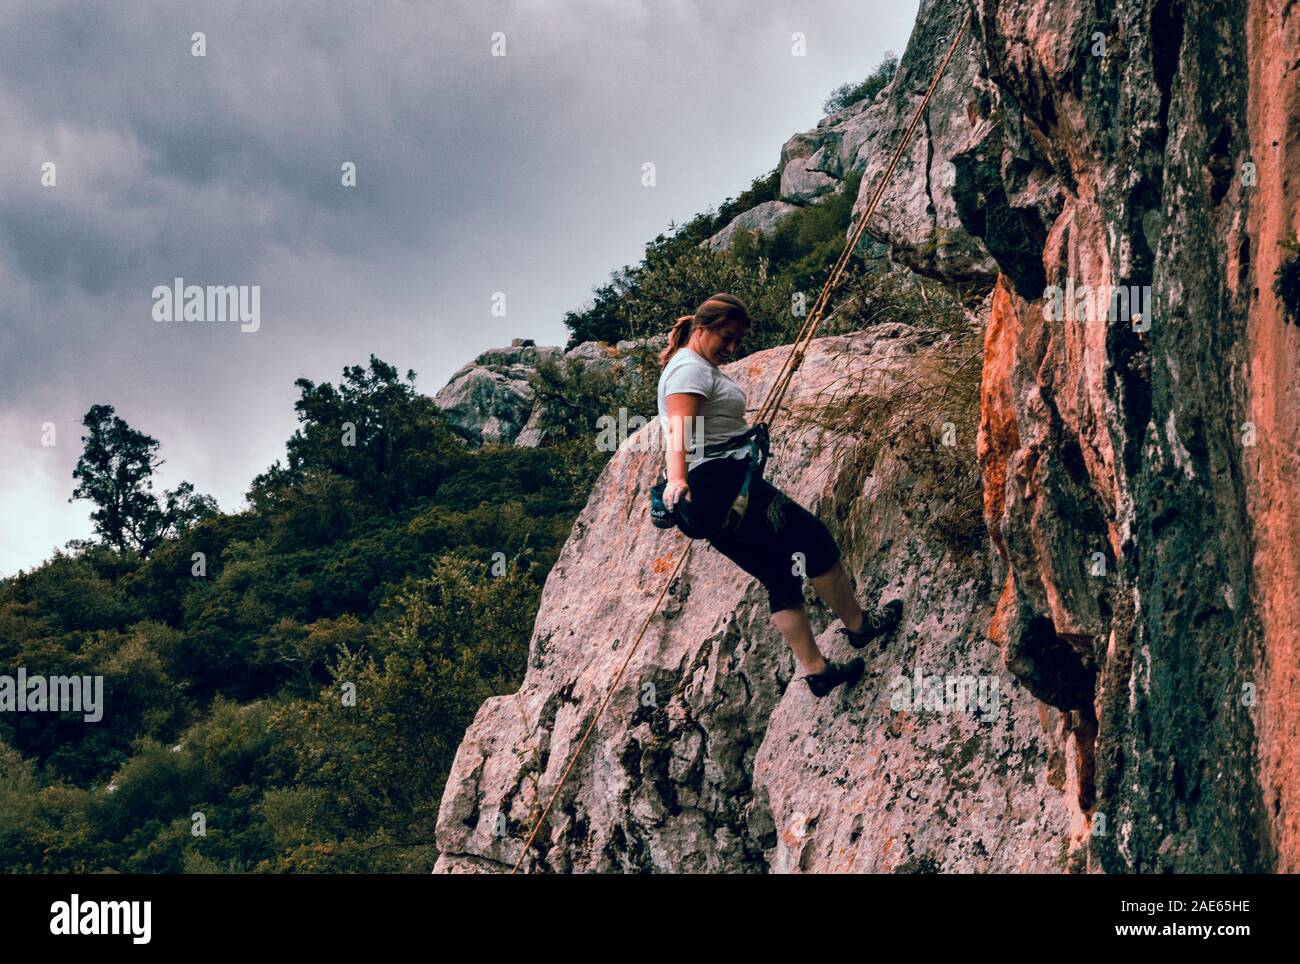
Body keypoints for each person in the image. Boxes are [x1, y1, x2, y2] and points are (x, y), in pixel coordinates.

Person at [656, 292, 903, 698]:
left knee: (779, 573)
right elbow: (678, 428)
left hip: (706, 501)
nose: (732, 349)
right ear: (702, 329)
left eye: (738, 341)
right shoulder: (689, 371)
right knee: (815, 542)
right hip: (719, 485)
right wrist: (677, 478)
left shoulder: (690, 366)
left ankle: (817, 670)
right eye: (726, 338)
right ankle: (860, 626)